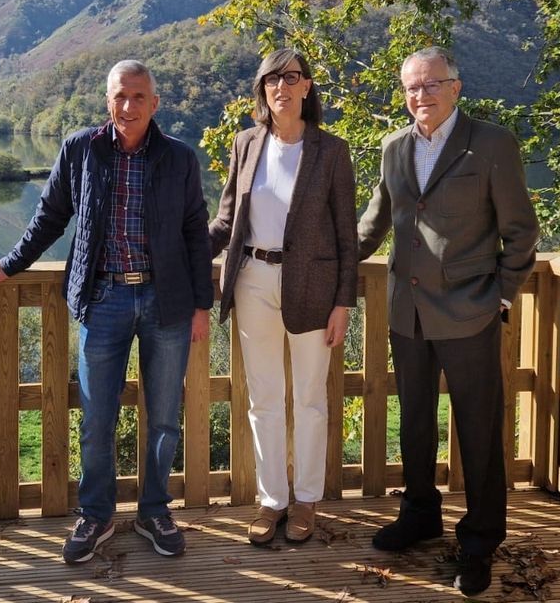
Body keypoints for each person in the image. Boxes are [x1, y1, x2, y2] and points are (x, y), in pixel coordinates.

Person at [0, 60, 213, 564]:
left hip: (165, 302)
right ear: (108, 99)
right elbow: (51, 216)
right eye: (119, 96)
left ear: (155, 102)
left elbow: (195, 230)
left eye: (138, 97)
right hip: (102, 300)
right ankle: (96, 514)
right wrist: (12, 264)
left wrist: (199, 304)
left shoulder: (179, 158)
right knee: (97, 418)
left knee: (165, 418)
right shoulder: (80, 149)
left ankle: (154, 511)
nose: (128, 107)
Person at [357, 46, 539, 595]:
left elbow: (521, 231)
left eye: (431, 85)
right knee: (413, 422)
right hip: (406, 313)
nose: (420, 96)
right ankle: (420, 515)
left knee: (478, 430)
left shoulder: (491, 144)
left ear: (456, 87)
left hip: (470, 311)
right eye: (412, 87)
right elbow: (374, 222)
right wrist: (327, 258)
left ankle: (481, 541)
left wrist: (500, 297)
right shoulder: (393, 147)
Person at [209, 49, 358, 546]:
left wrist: (344, 302)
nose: (282, 87)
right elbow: (227, 221)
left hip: (313, 287)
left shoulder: (331, 151)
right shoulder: (245, 143)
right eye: (272, 80)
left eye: (292, 78)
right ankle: (272, 500)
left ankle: (308, 500)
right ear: (262, 91)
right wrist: (181, 251)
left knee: (311, 399)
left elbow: (345, 237)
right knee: (264, 398)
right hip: (253, 280)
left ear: (307, 88)